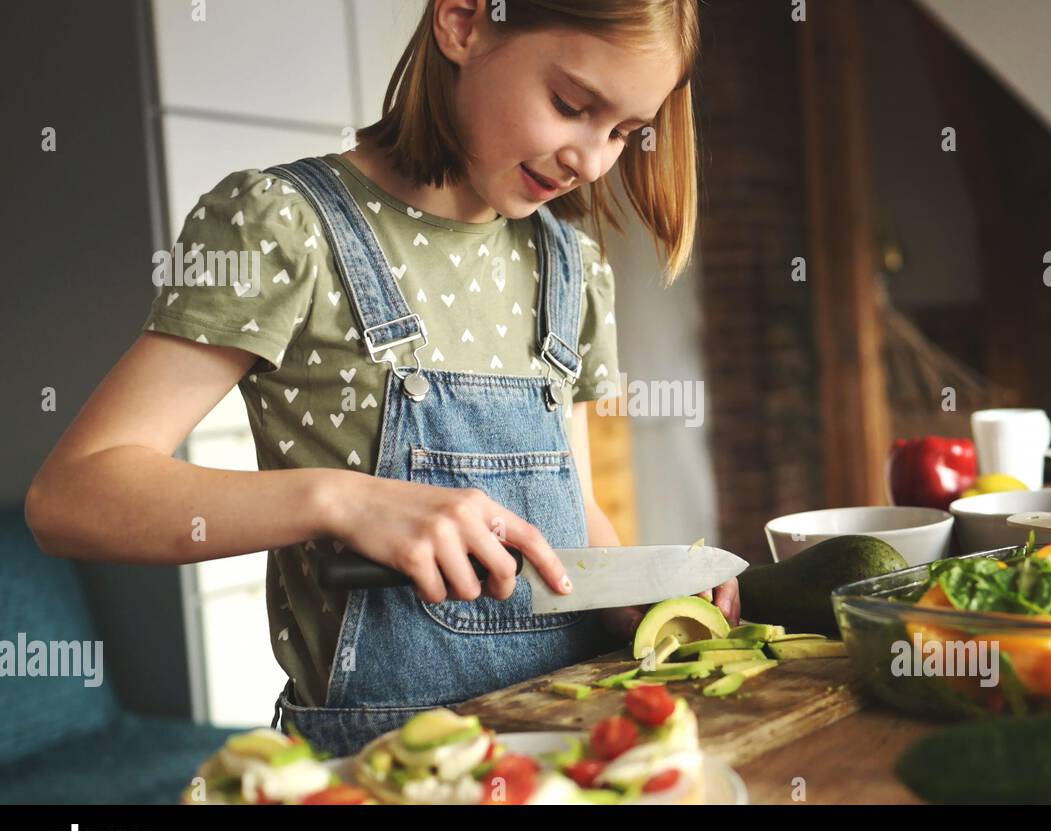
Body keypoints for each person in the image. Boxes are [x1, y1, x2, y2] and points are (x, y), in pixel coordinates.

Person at [25, 0, 739, 757]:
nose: (591, 160)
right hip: (376, 768)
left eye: (624, 133)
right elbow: (72, 496)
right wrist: (342, 500)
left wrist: (636, 598)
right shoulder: (283, 226)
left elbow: (574, 516)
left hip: (566, 753)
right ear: (463, 23)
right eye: (571, 105)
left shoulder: (571, 269)